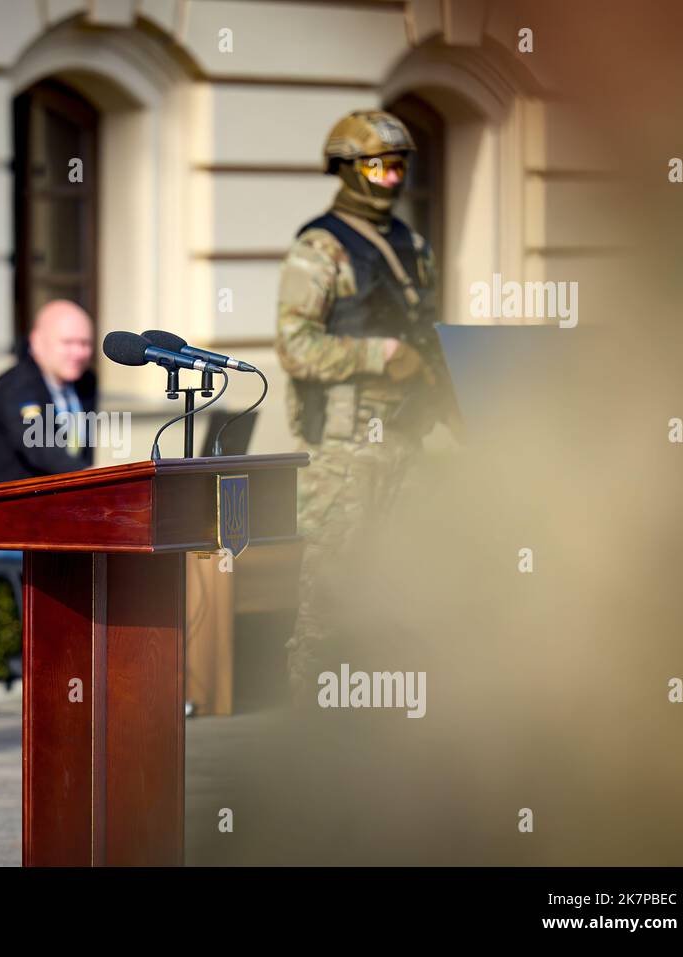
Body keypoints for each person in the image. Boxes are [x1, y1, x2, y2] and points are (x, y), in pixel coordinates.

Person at [274, 109, 459, 689]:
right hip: (344, 454)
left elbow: (427, 333)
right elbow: (295, 346)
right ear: (348, 169)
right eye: (378, 167)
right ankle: (310, 733)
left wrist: (452, 395)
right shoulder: (319, 247)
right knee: (330, 600)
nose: (390, 179)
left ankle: (387, 745)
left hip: (408, 442)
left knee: (406, 597)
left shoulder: (413, 245)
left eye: (398, 167)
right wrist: (380, 355)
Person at [0, 300, 97, 486]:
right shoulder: (16, 384)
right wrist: (88, 475)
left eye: (85, 343)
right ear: (37, 341)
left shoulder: (86, 382)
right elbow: (38, 444)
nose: (79, 353)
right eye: (68, 342)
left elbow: (82, 450)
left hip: (55, 498)